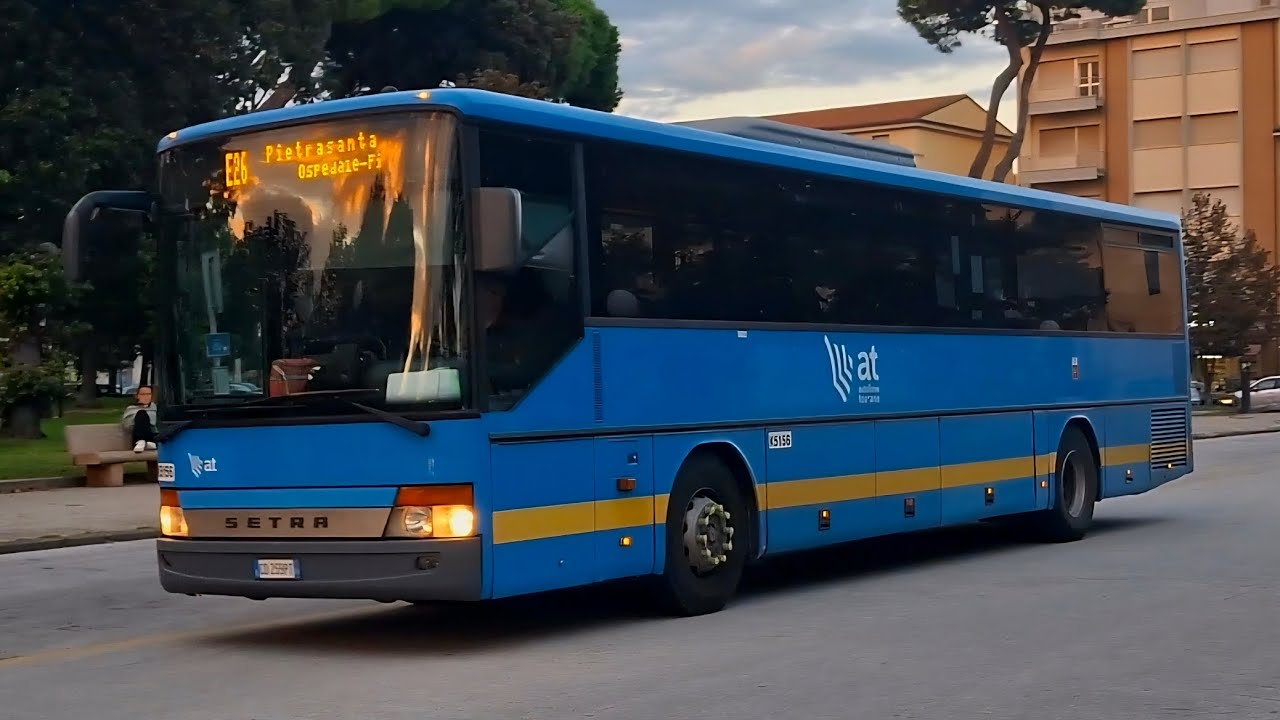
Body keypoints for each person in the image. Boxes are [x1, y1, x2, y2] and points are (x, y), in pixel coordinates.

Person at [122, 385, 158, 452]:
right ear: (137, 396)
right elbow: (128, 426)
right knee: (141, 414)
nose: (145, 396)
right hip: (137, 439)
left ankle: (148, 442)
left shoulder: (155, 408)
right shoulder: (131, 409)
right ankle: (141, 441)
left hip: (154, 436)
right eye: (142, 394)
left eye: (148, 394)